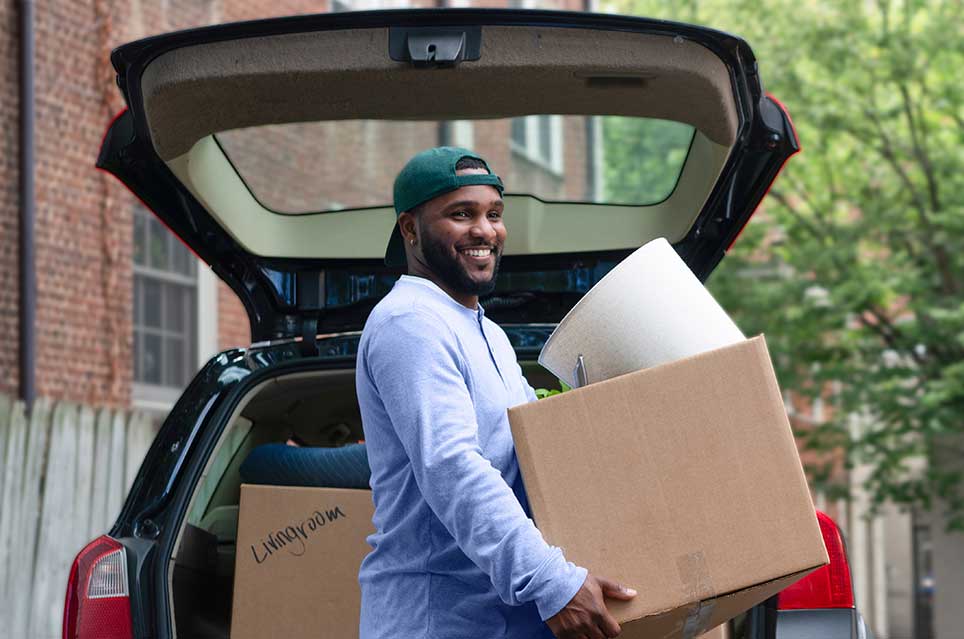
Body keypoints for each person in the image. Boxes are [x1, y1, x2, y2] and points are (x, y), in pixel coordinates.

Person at [355, 147, 636, 639]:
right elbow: (452, 466)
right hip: (436, 622)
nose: (485, 230)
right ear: (410, 229)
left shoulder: (487, 333)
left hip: (498, 620)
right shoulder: (411, 323)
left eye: (494, 214)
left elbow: (536, 448)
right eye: (461, 214)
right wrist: (551, 581)